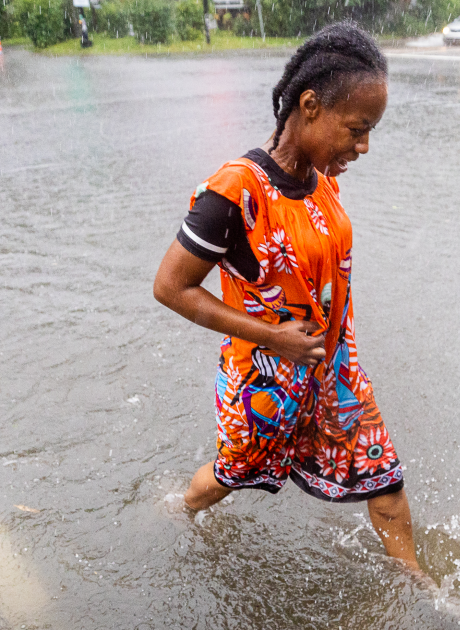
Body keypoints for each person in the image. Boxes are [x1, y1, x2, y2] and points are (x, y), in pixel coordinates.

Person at [153, 21, 421, 572]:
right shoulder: (236, 192)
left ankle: (418, 587)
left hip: (334, 374)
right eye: (357, 128)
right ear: (310, 104)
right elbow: (170, 287)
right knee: (231, 475)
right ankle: (178, 509)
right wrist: (274, 336)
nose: (364, 146)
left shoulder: (322, 176)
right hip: (266, 385)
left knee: (385, 480)